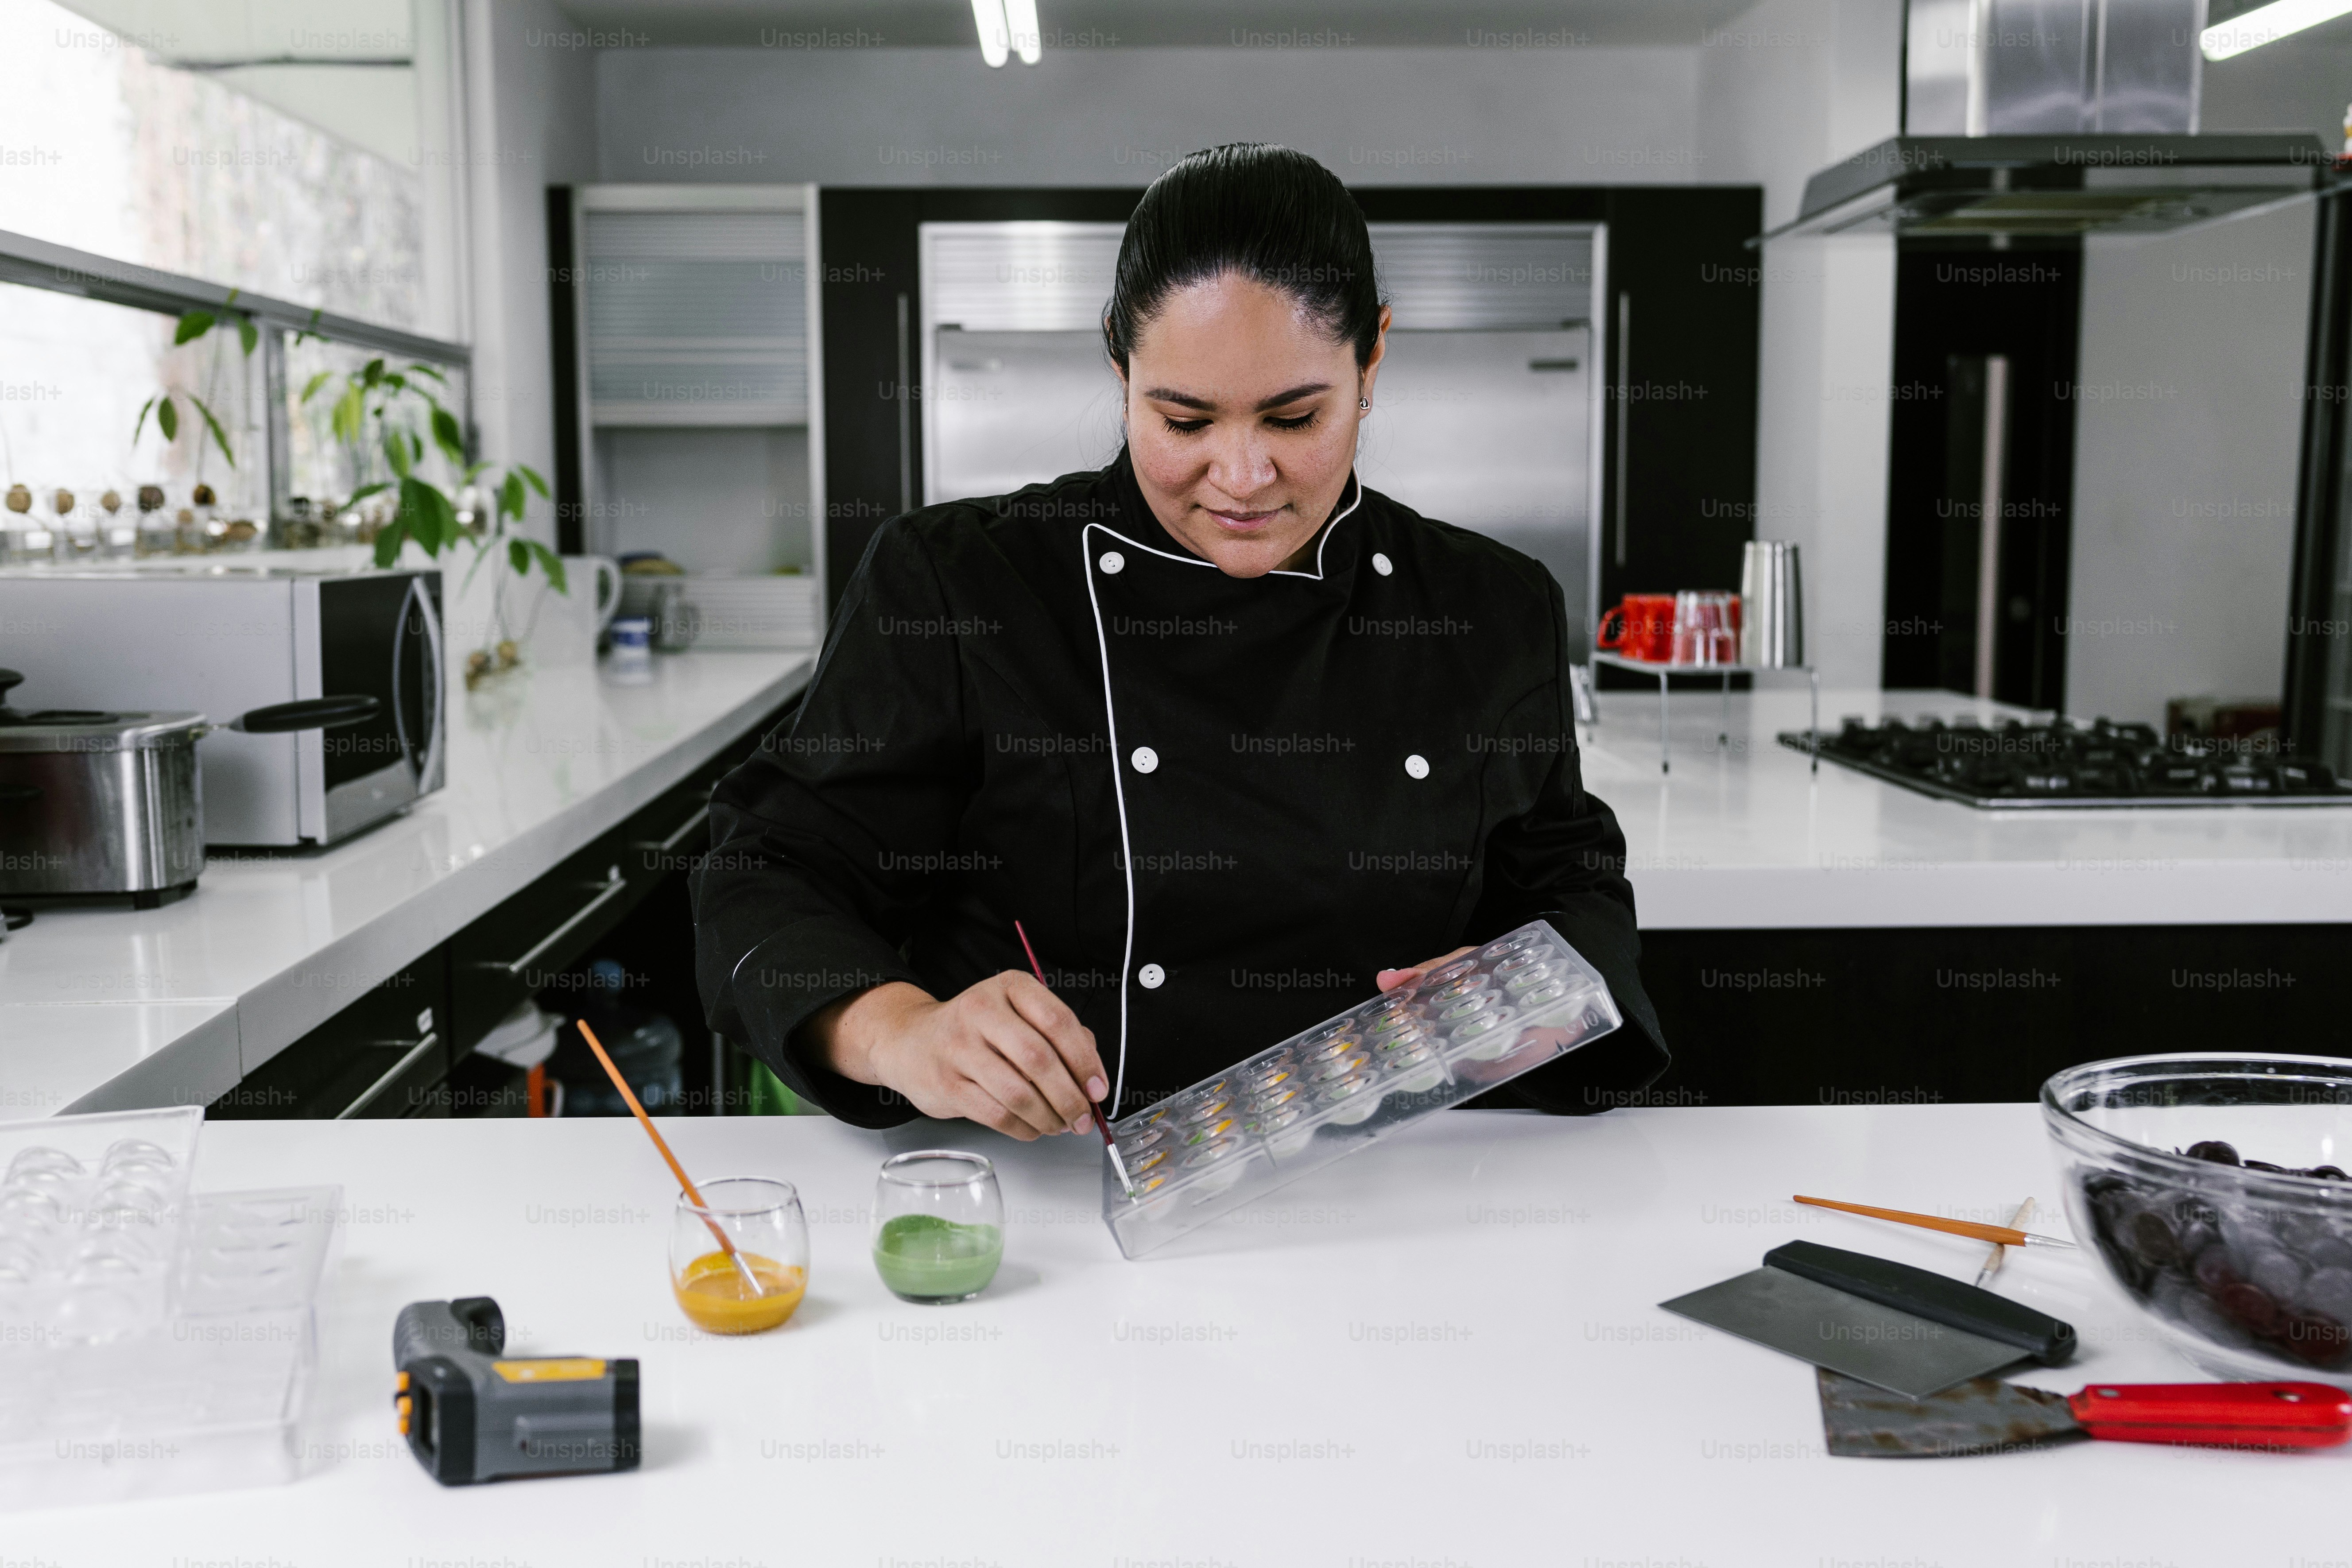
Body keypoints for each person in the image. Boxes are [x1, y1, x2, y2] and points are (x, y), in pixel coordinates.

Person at [692, 143, 1666, 1138]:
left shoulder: (1489, 607)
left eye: (1294, 417)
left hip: (1391, 1189)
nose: (1240, 476)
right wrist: (900, 1032)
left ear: (1371, 358)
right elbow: (767, 870)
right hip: (1055, 1196)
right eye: (1184, 419)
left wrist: (1537, 998)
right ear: (1119, 359)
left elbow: (1571, 885)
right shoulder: (958, 582)